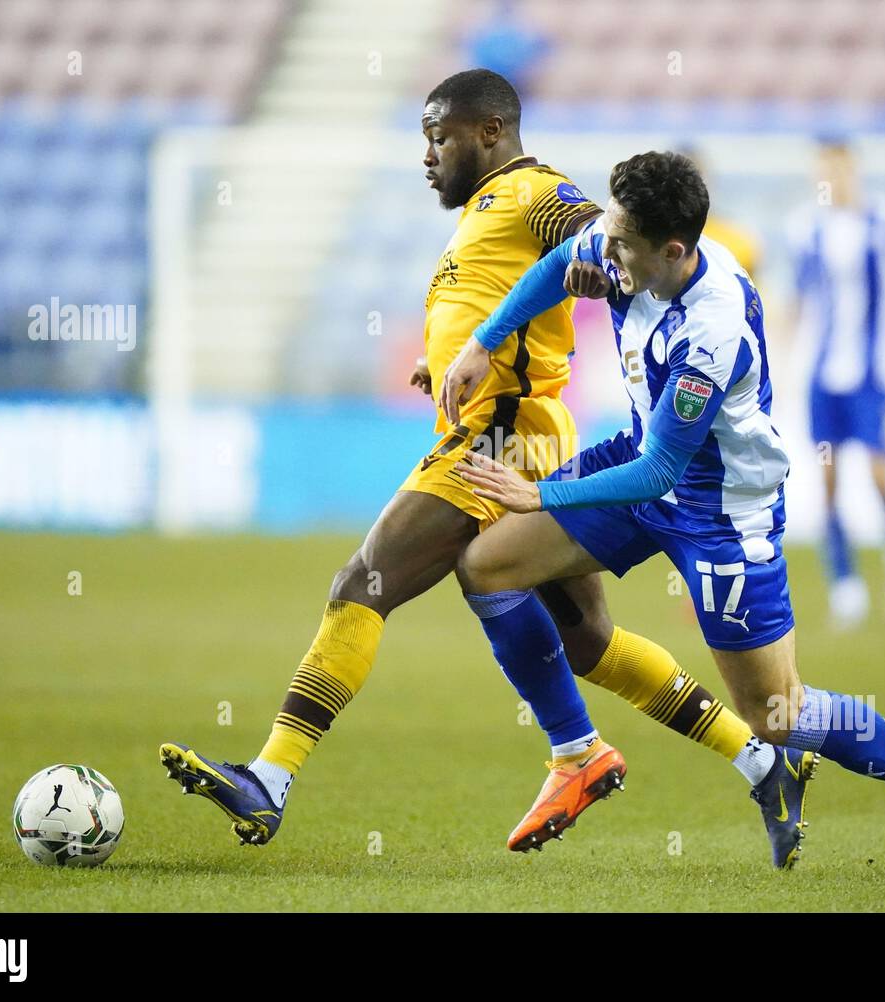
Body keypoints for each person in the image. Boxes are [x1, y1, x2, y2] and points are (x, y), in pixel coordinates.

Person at [159, 70, 813, 866]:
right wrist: (447, 361)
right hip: (509, 431)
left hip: (501, 442)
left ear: (492, 132)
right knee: (590, 644)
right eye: (425, 140)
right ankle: (756, 760)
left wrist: (599, 268)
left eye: (442, 137)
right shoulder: (479, 214)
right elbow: (501, 305)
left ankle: (271, 776)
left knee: (363, 581)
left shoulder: (534, 190)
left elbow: (588, 229)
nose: (429, 155)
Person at [442, 150, 885, 880]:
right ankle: (576, 753)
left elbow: (662, 470)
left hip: (719, 511)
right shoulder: (631, 245)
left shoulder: (711, 333)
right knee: (488, 565)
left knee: (779, 714)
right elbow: (564, 263)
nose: (606, 252)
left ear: (674, 251)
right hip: (640, 457)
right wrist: (482, 343)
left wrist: (540, 495)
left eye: (621, 245)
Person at [787, 136, 885, 627]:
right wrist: (777, 356)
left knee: (878, 474)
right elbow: (795, 301)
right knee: (828, 480)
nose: (829, 180)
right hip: (821, 373)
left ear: (854, 171)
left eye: (837, 170)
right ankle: (846, 585)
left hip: (873, 373)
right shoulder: (806, 228)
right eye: (822, 171)